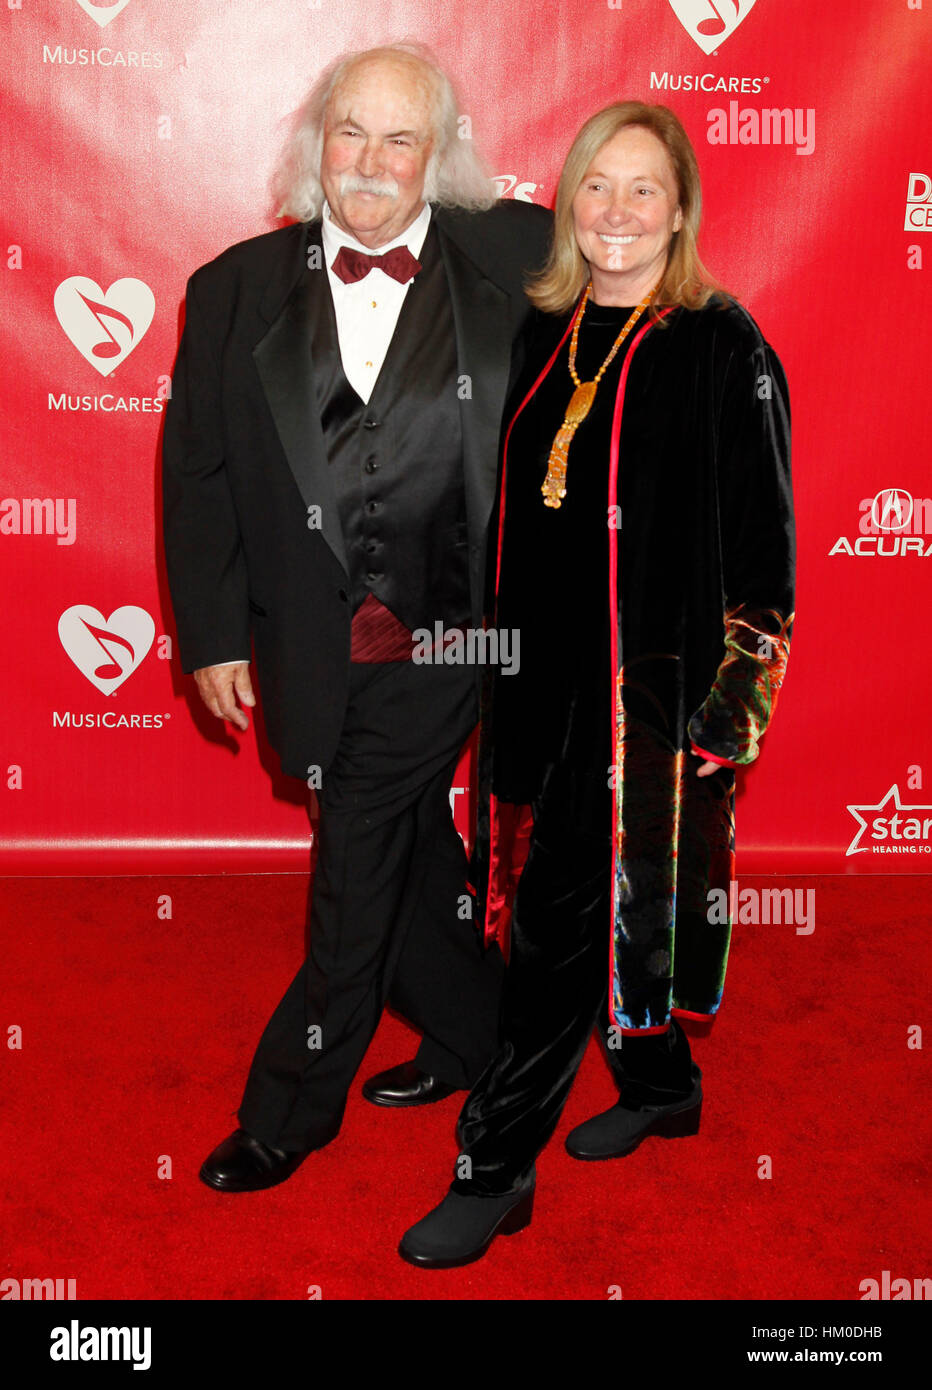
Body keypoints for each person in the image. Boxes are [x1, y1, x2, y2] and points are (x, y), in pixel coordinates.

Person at [399, 101, 795, 1266]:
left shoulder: (723, 347)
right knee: (595, 917)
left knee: (559, 939)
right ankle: (663, 1084)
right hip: (532, 689)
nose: (615, 212)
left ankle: (492, 1163)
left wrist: (722, 724)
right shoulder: (542, 328)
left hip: (646, 708)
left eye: (642, 191)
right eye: (595, 187)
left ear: (679, 211)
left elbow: (765, 570)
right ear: (565, 201)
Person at [161, 43, 551, 1192]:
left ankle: (293, 1103)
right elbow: (199, 475)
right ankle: (483, 1036)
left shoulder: (517, 257)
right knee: (412, 848)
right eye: (351, 133)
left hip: (460, 630)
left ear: (439, 158)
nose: (371, 163)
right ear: (313, 142)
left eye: (400, 138)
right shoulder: (231, 288)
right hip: (315, 631)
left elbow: (634, 280)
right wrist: (218, 635)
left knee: (360, 848)